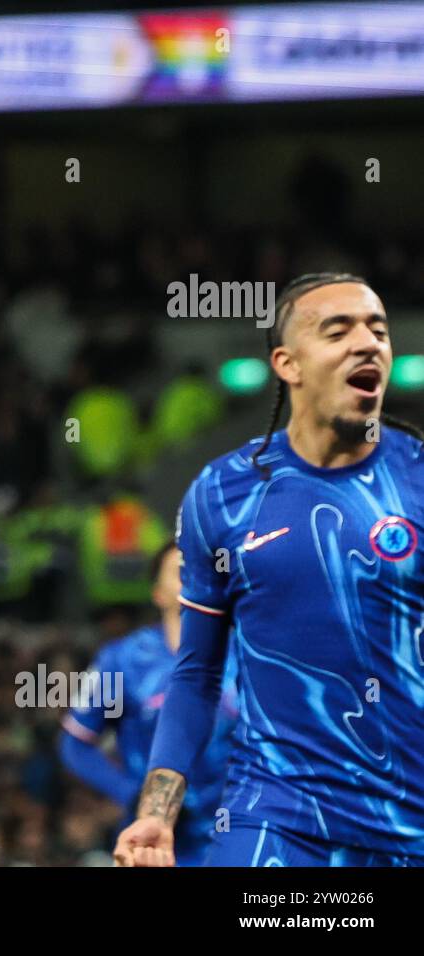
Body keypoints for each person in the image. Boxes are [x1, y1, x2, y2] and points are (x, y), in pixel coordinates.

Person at [114, 273, 424, 866]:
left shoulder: (417, 478)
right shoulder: (223, 493)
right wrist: (156, 816)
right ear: (288, 363)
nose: (367, 343)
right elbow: (198, 672)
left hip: (407, 826)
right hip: (273, 819)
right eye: (339, 330)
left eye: (378, 330)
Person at [59, 543, 237, 865]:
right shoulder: (121, 659)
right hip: (157, 845)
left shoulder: (248, 654)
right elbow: (76, 744)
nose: (191, 576)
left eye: (199, 568)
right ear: (158, 594)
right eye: (179, 571)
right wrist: (134, 795)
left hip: (240, 835)